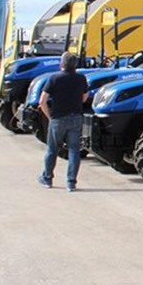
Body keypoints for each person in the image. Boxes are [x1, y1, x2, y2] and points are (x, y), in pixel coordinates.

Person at [37, 51, 90, 192]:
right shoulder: (81, 78)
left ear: (61, 64)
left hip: (58, 118)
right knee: (74, 150)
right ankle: (71, 182)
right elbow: (84, 98)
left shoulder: (54, 78)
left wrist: (49, 116)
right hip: (76, 117)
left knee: (52, 149)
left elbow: (42, 101)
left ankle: (47, 178)